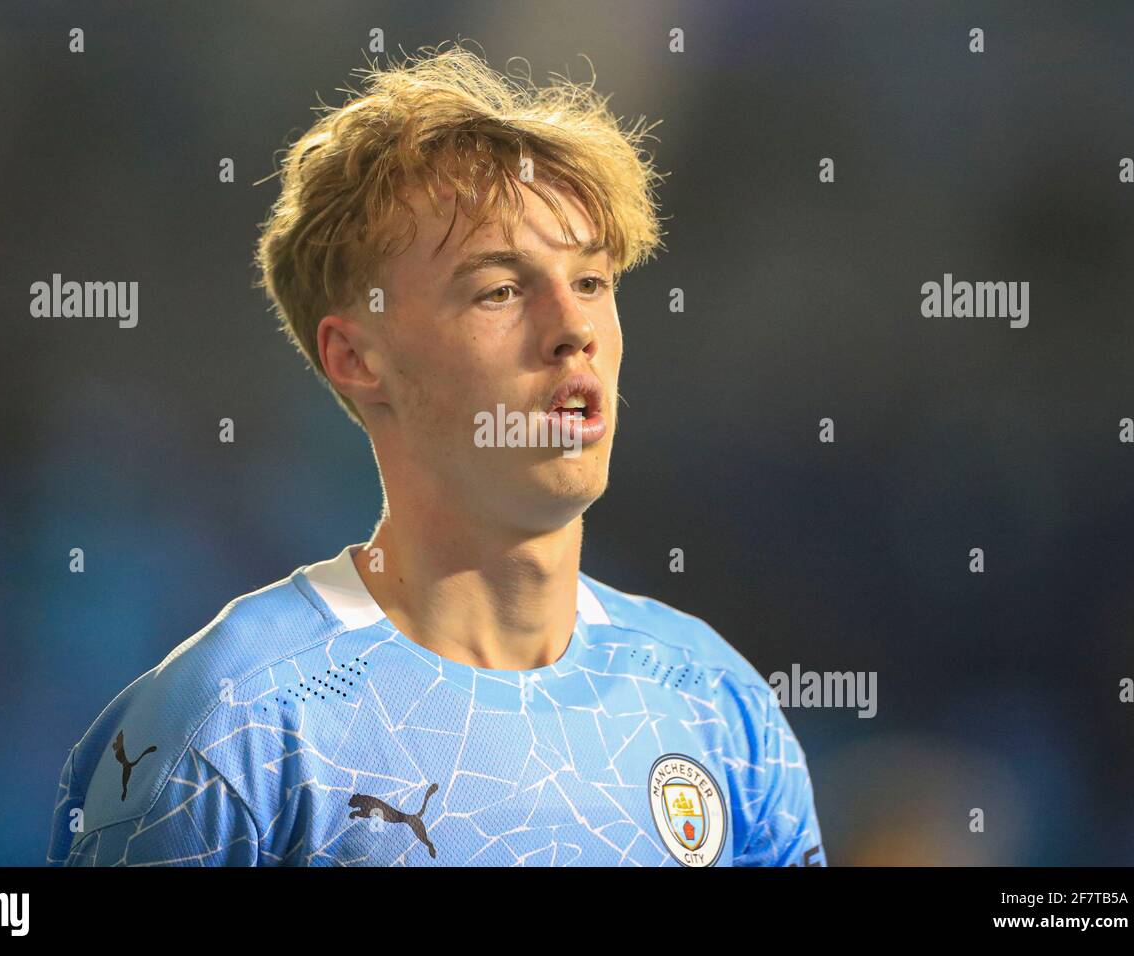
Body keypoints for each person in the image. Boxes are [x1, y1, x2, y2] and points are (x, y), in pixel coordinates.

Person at [47, 42, 824, 867]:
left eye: (593, 280)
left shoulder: (717, 701)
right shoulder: (233, 729)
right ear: (357, 358)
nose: (574, 328)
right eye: (501, 288)